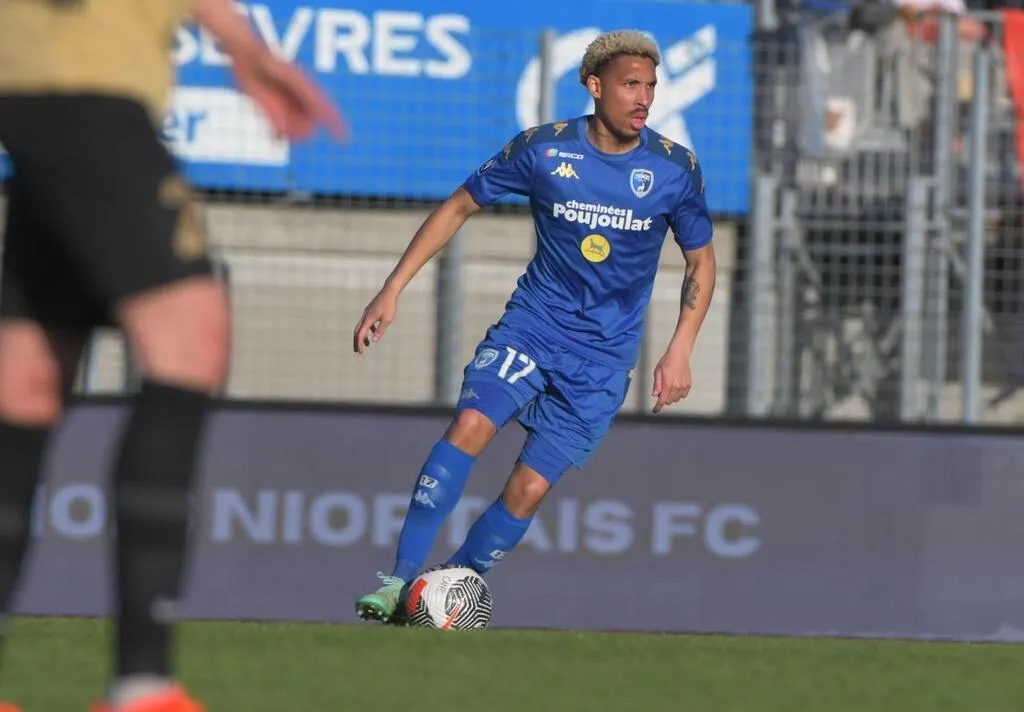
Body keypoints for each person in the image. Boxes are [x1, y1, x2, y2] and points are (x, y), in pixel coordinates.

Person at [0, 1, 343, 710]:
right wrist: (244, 48)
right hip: (81, 82)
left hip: (41, 80)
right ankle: (144, 684)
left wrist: (239, 46)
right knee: (192, 332)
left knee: (25, 380)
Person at [352, 29, 716, 624]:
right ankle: (397, 582)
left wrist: (680, 350)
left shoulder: (674, 169)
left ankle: (438, 594)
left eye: (650, 86)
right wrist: (392, 289)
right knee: (471, 424)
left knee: (527, 491)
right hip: (533, 328)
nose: (643, 98)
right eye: (630, 85)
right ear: (594, 87)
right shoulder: (544, 150)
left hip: (601, 362)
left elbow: (701, 260)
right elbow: (459, 205)